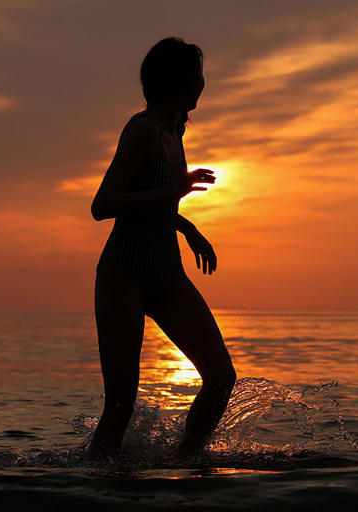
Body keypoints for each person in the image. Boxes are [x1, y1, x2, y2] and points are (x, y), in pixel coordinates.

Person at [88, 37, 236, 457]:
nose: (203, 83)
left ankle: (188, 460)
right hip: (124, 271)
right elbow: (104, 205)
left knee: (221, 376)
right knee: (120, 404)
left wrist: (187, 228)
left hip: (166, 270)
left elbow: (153, 200)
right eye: (199, 75)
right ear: (183, 80)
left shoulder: (175, 130)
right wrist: (173, 190)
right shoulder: (143, 130)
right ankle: (95, 487)